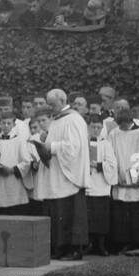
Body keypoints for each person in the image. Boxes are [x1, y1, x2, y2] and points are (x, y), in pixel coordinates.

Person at [30, 89, 90, 260]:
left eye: (52, 104)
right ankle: (59, 247)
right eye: (48, 103)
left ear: (63, 101)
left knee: (70, 212)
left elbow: (74, 147)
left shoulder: (73, 119)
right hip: (56, 174)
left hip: (68, 175)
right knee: (57, 212)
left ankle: (74, 249)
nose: (49, 107)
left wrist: (52, 146)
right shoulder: (57, 120)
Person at [105, 100, 139, 253]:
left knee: (136, 211)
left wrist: (134, 177)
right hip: (119, 176)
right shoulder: (114, 133)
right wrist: (117, 175)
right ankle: (122, 242)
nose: (121, 128)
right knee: (121, 211)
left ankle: (137, 242)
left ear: (130, 121)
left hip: (134, 175)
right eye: (119, 126)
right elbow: (110, 154)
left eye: (123, 125)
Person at [0, 110, 30, 215]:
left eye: (9, 123)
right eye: (3, 123)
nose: (6, 126)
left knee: (13, 212)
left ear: (14, 124)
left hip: (13, 180)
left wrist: (12, 169)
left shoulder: (19, 140)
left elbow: (27, 161)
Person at [84, 113, 114, 255]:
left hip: (101, 184)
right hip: (87, 185)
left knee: (101, 217)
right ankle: (89, 244)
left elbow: (113, 164)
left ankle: (101, 245)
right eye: (93, 127)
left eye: (99, 127)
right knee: (88, 217)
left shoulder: (106, 144)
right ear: (88, 127)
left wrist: (100, 165)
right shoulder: (82, 142)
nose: (96, 130)